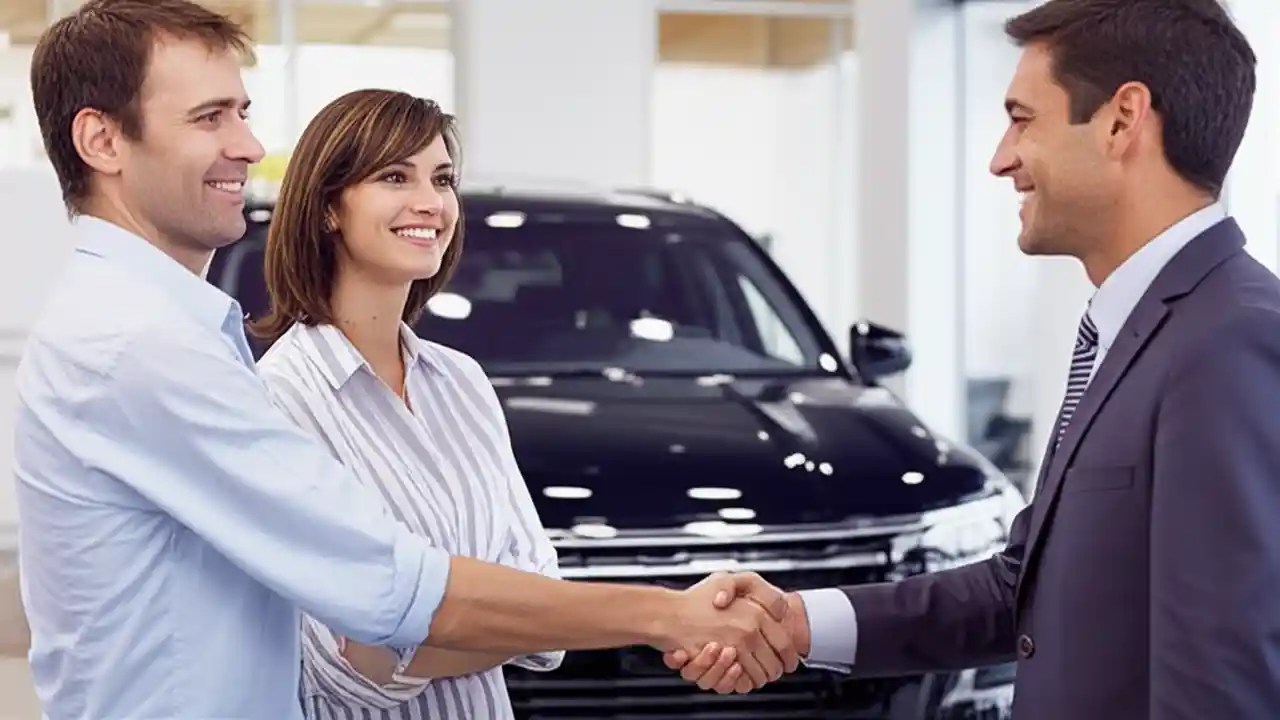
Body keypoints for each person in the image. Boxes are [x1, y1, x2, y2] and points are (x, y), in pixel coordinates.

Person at [12, 2, 797, 717]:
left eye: (243, 113)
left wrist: (543, 619)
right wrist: (665, 613)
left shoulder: (173, 333)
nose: (249, 146)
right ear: (102, 140)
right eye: (210, 116)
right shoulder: (136, 348)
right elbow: (387, 593)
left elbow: (498, 600)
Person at [670, 0, 1280, 716]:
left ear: (1122, 120)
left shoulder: (1229, 339)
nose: (1001, 159)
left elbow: (1220, 678)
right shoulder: (1143, 328)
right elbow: (1024, 588)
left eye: (1023, 119)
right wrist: (799, 623)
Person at [247, 87, 565, 718]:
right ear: (328, 207)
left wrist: (428, 632)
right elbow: (344, 663)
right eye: (396, 176)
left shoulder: (461, 383)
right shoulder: (277, 399)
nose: (431, 203)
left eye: (442, 179)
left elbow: (545, 603)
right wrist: (508, 622)